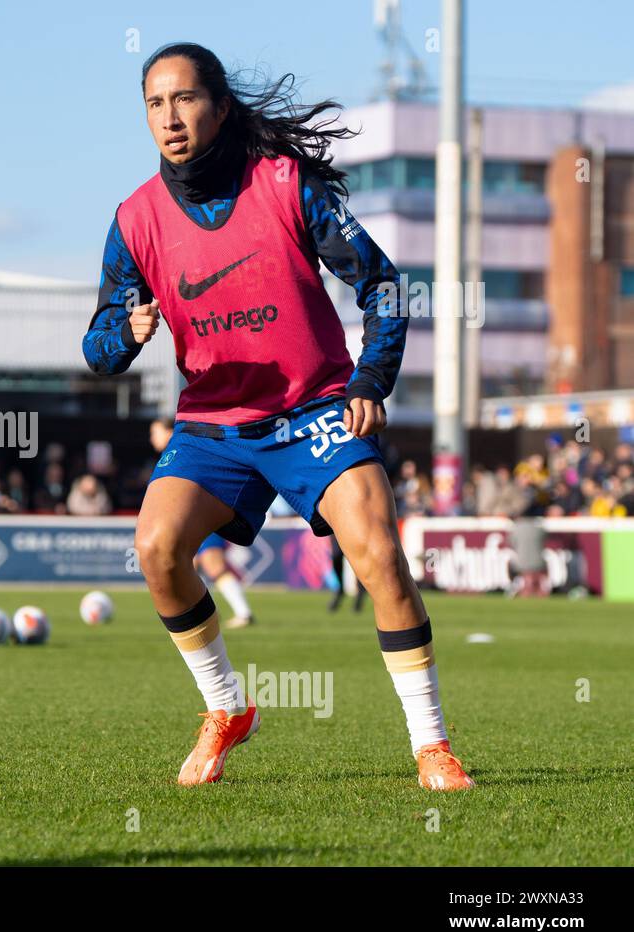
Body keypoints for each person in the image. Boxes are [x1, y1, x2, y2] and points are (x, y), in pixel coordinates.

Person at [83, 43, 473, 790]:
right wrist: (122, 336)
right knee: (156, 550)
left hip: (315, 410)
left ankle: (431, 744)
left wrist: (371, 380)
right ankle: (226, 709)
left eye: (186, 99)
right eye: (155, 104)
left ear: (220, 107)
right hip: (214, 426)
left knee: (380, 554)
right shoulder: (133, 220)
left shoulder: (287, 185)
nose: (170, 117)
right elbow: (98, 351)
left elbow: (385, 286)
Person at [150, 416, 254, 628]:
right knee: (187, 565)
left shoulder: (185, 449)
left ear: (170, 432)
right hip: (192, 515)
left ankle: (243, 613)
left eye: (155, 432)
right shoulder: (175, 453)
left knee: (213, 564)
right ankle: (202, 616)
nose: (152, 438)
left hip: (201, 513)